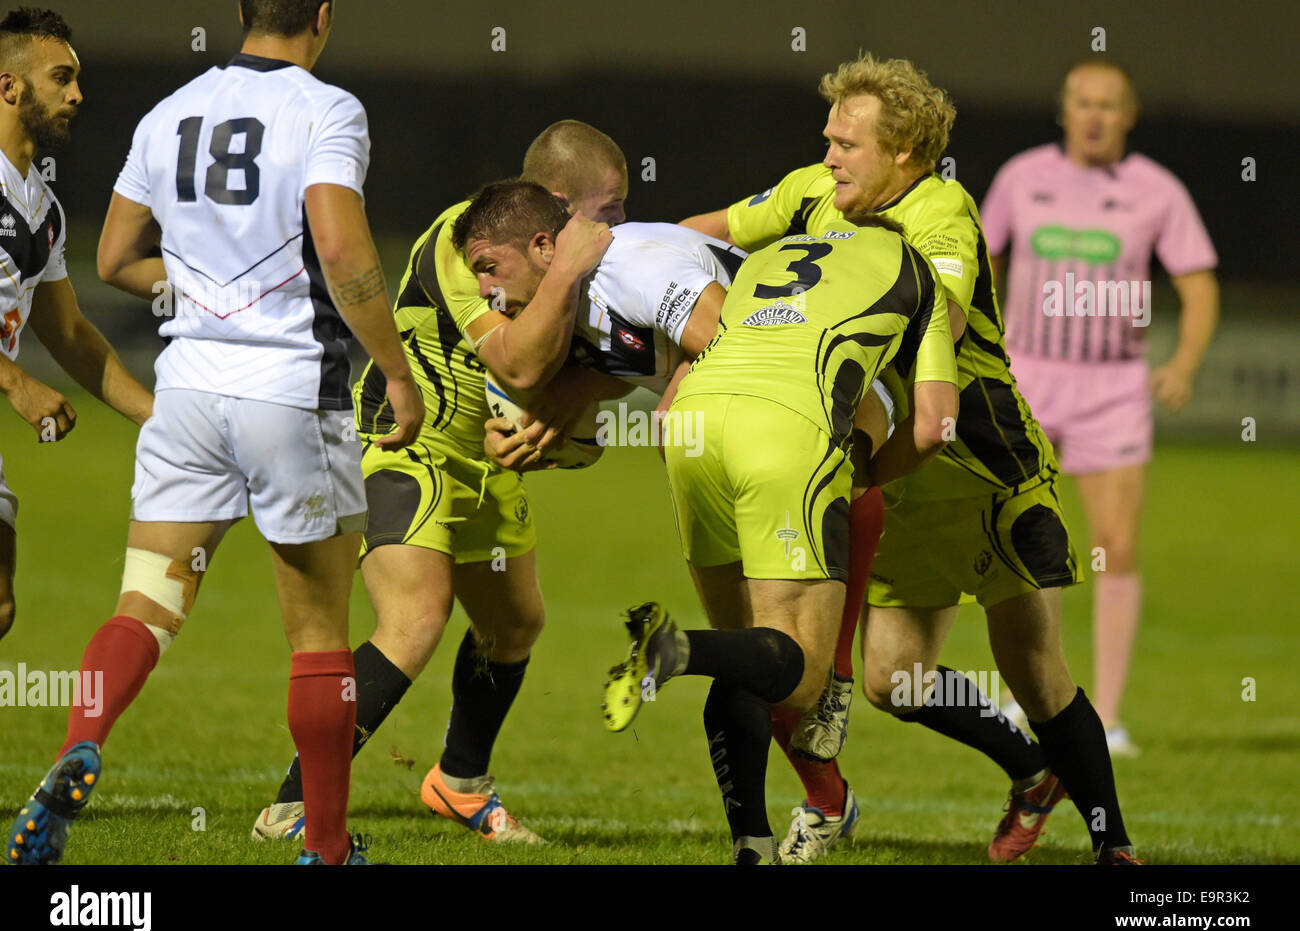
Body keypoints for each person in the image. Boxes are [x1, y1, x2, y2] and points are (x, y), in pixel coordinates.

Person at [684, 52, 1141, 864]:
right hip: (889, 479)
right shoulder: (811, 193)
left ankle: (1116, 848)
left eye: (847, 145)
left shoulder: (942, 212)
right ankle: (1031, 771)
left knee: (1038, 675)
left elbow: (945, 323)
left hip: (980, 469)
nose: (828, 158)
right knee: (897, 681)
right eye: (828, 140)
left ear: (905, 155)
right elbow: (694, 236)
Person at [8, 0, 423, 866]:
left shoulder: (171, 111)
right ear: (324, 15)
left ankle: (77, 746)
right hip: (289, 394)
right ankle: (330, 847)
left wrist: (203, 284)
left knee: (144, 605)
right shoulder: (326, 108)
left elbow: (117, 259)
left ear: (239, 13)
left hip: (188, 391)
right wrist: (392, 366)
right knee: (317, 635)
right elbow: (342, 249)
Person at [252, 130, 620, 845]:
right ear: (555, 212)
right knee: (417, 617)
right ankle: (294, 802)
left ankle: (459, 780)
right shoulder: (465, 239)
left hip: (486, 466)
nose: (615, 223)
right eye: (606, 206)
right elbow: (515, 365)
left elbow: (590, 400)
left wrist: (565, 422)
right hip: (407, 441)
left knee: (514, 624)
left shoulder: (580, 271)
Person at [604, 212, 961, 864]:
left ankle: (754, 843)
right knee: (796, 677)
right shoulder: (916, 269)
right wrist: (870, 473)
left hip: (693, 426)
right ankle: (675, 647)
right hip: (788, 431)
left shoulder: (771, 255)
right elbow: (937, 424)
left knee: (751, 652)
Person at [981, 58, 1219, 757]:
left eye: (1108, 104)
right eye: (1082, 101)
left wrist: (1182, 363)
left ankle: (1107, 716)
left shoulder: (1158, 192)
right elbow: (979, 259)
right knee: (1021, 539)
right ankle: (1027, 693)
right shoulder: (1022, 177)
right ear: (1064, 109)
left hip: (1113, 387)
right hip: (1027, 378)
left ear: (1130, 115)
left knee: (1115, 544)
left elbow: (1199, 285)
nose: (1093, 115)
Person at [0, 6, 153, 643]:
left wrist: (161, 420)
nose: (77, 94)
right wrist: (16, 383)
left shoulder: (44, 208)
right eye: (61, 77)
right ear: (9, 87)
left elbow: (68, 334)